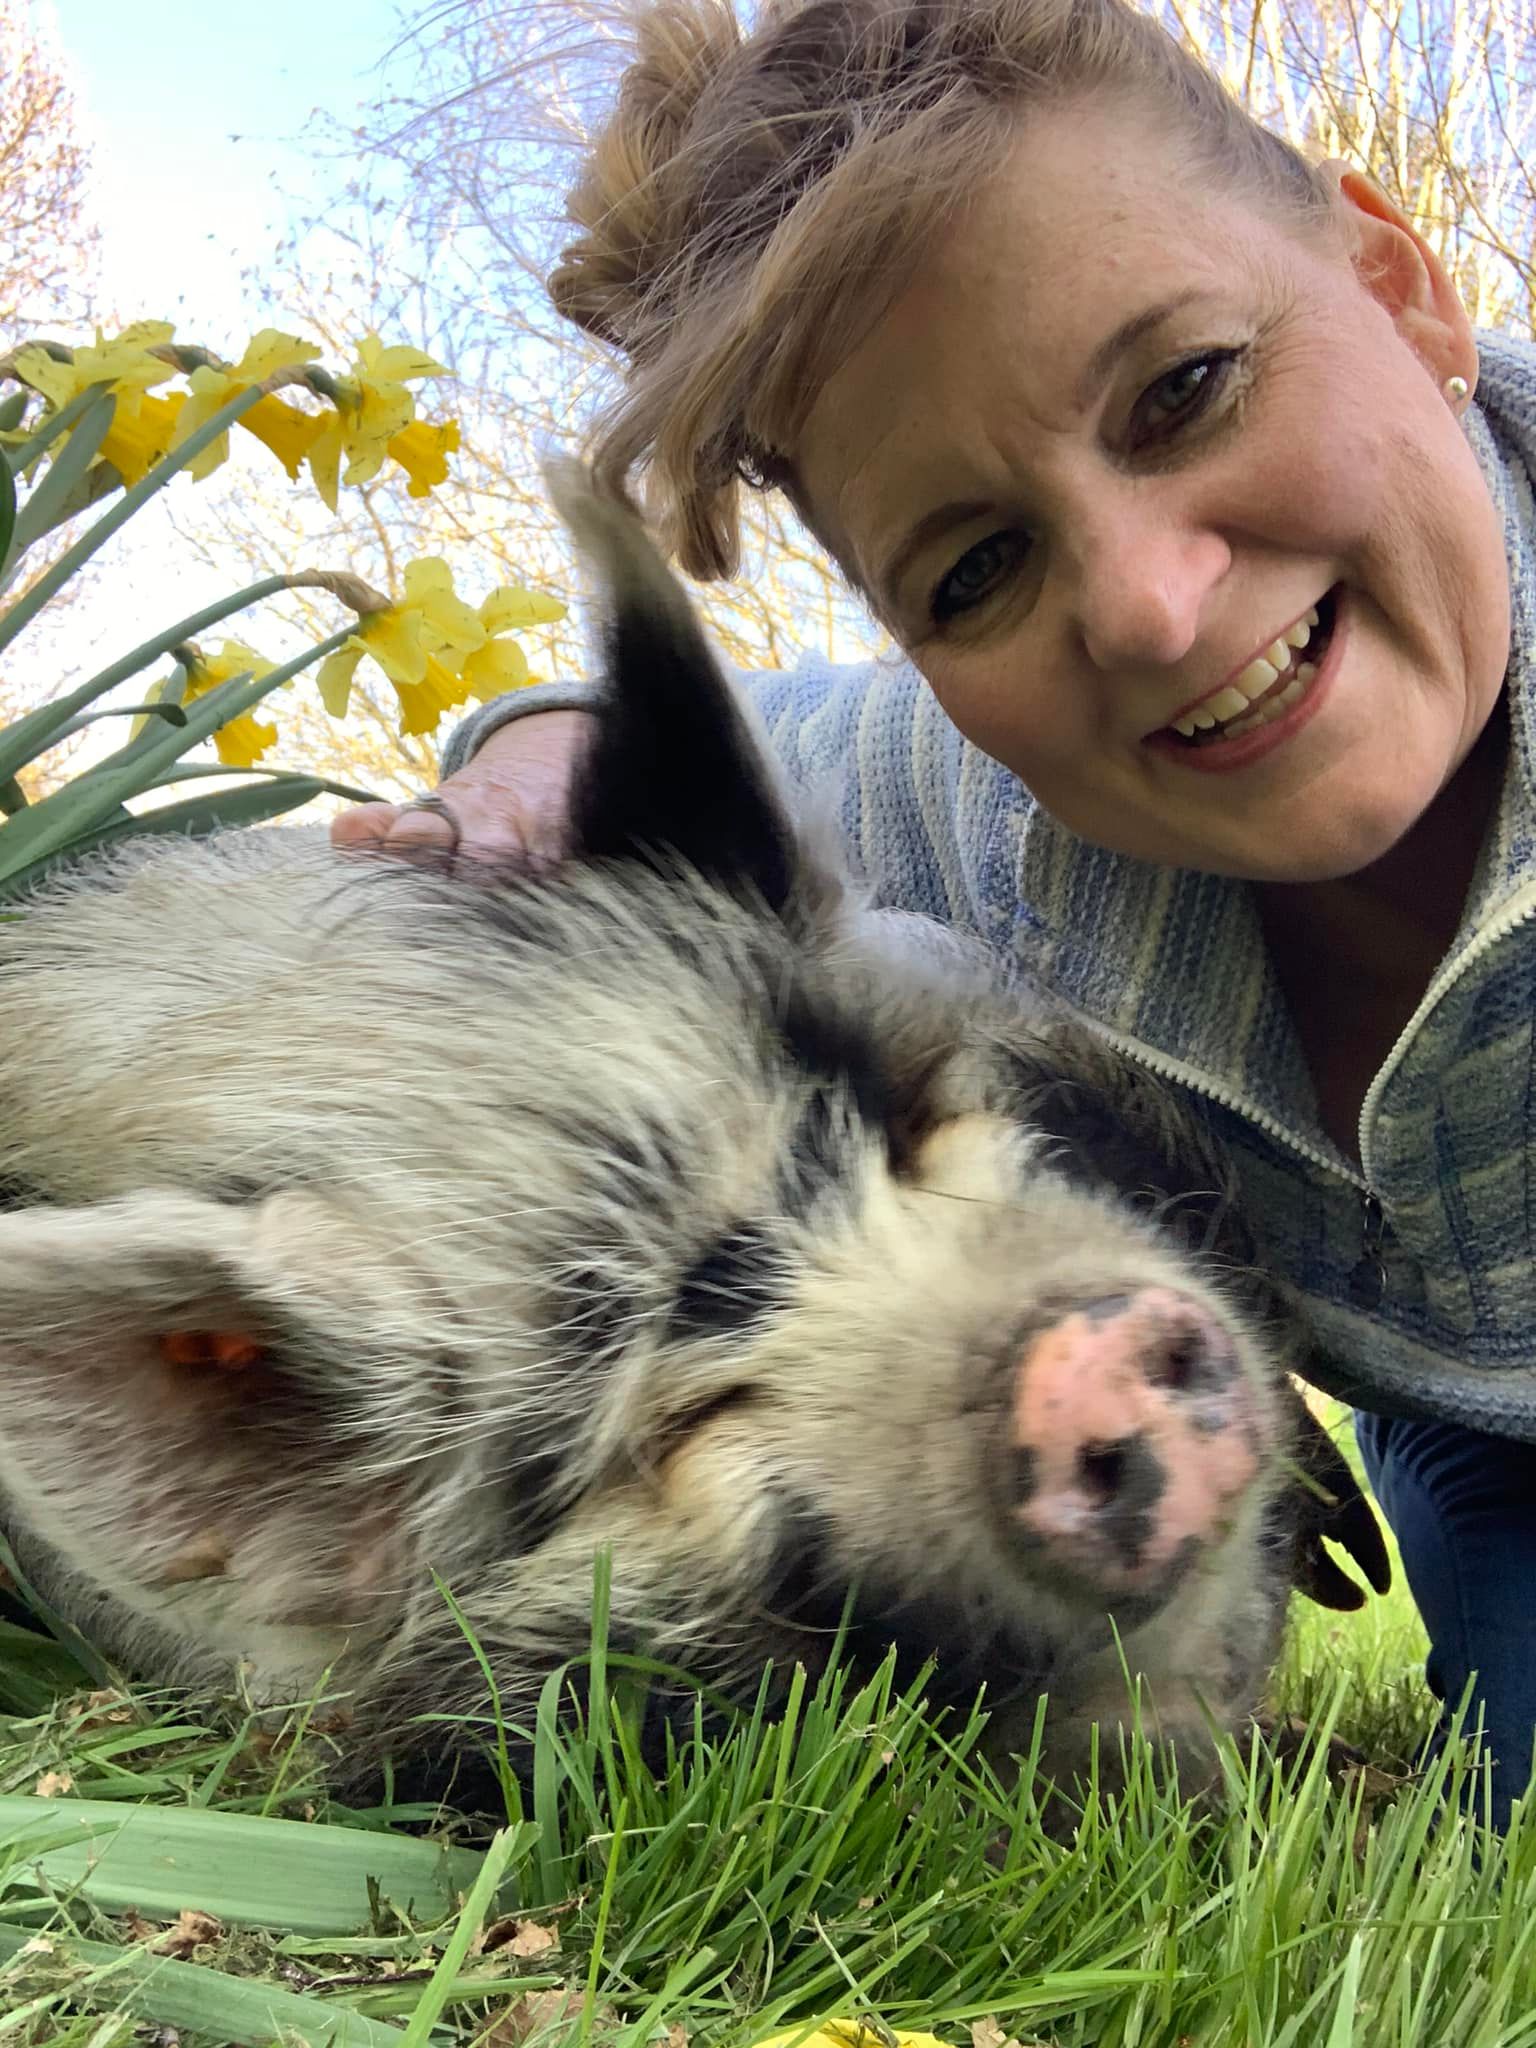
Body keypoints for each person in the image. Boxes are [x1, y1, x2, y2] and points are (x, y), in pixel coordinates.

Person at [333, 0, 1536, 1824]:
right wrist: (530, 757)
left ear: (1399, 282)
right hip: (1472, 1418)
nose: (1147, 608)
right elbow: (702, 736)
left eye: (1187, 388)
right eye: (976, 569)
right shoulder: (977, 791)